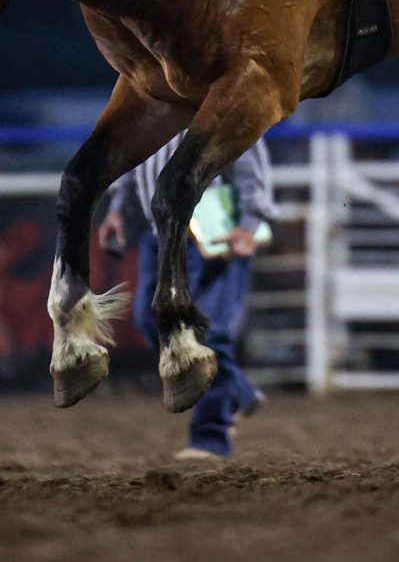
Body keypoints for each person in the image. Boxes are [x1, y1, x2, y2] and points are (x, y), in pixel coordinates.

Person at [101, 133, 273, 461]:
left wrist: (250, 222)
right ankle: (236, 390)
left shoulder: (222, 101)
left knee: (208, 333)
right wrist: (119, 208)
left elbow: (249, 153)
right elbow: (132, 158)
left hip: (215, 229)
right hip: (163, 232)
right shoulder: (148, 105)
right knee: (152, 322)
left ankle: (212, 437)